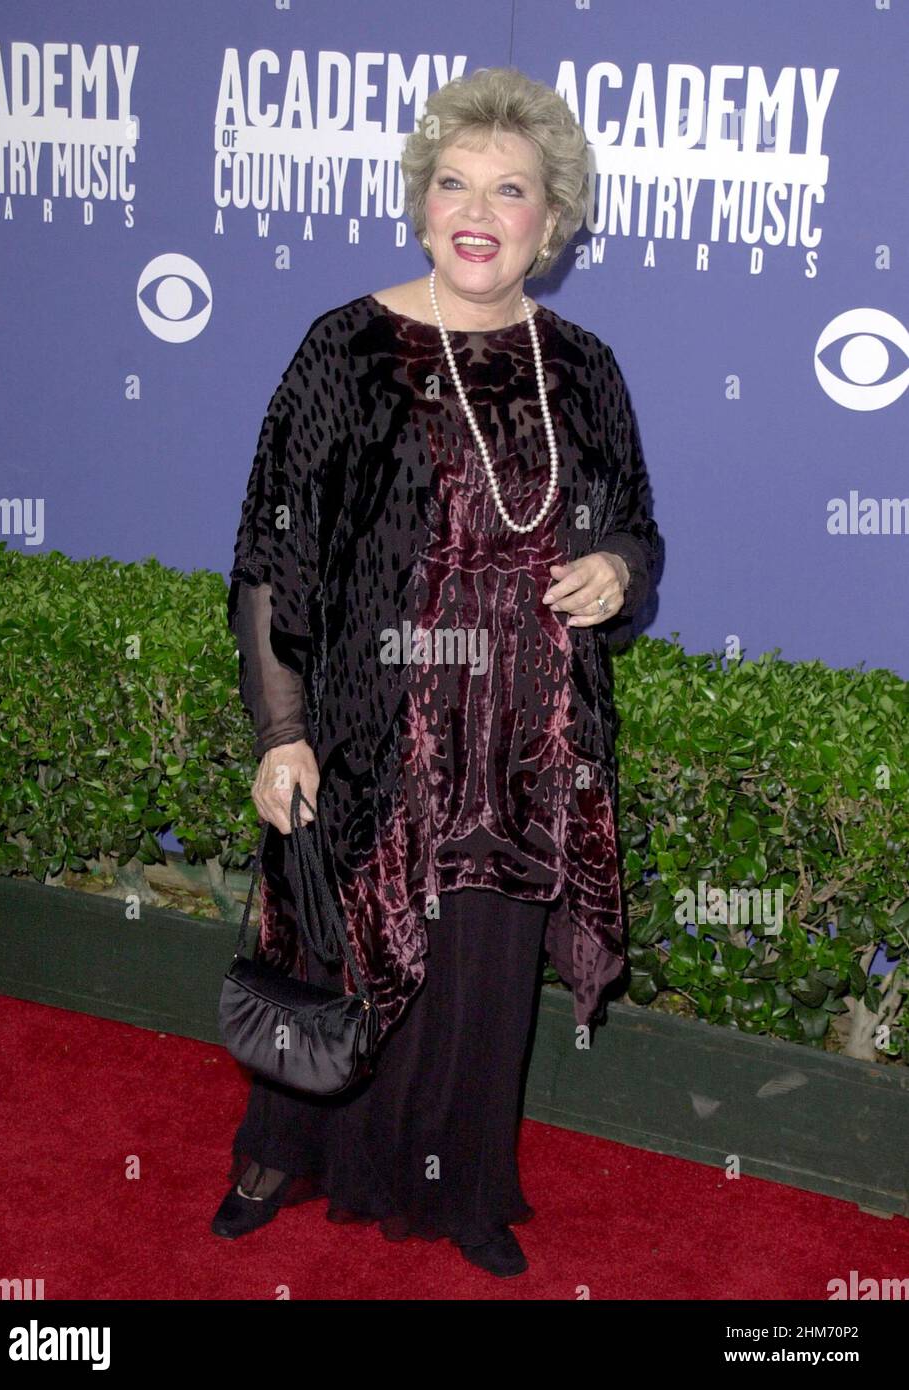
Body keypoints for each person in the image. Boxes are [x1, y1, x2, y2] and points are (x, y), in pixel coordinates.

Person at [212, 66, 662, 1280]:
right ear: (421, 205)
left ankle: (463, 1186)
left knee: (481, 973)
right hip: (374, 720)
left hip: (522, 733)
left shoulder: (583, 367)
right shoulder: (346, 347)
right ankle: (278, 1156)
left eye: (509, 190)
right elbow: (272, 553)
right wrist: (282, 731)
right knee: (336, 945)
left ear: (549, 223)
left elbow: (633, 526)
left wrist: (614, 571)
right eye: (454, 182)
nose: (478, 208)